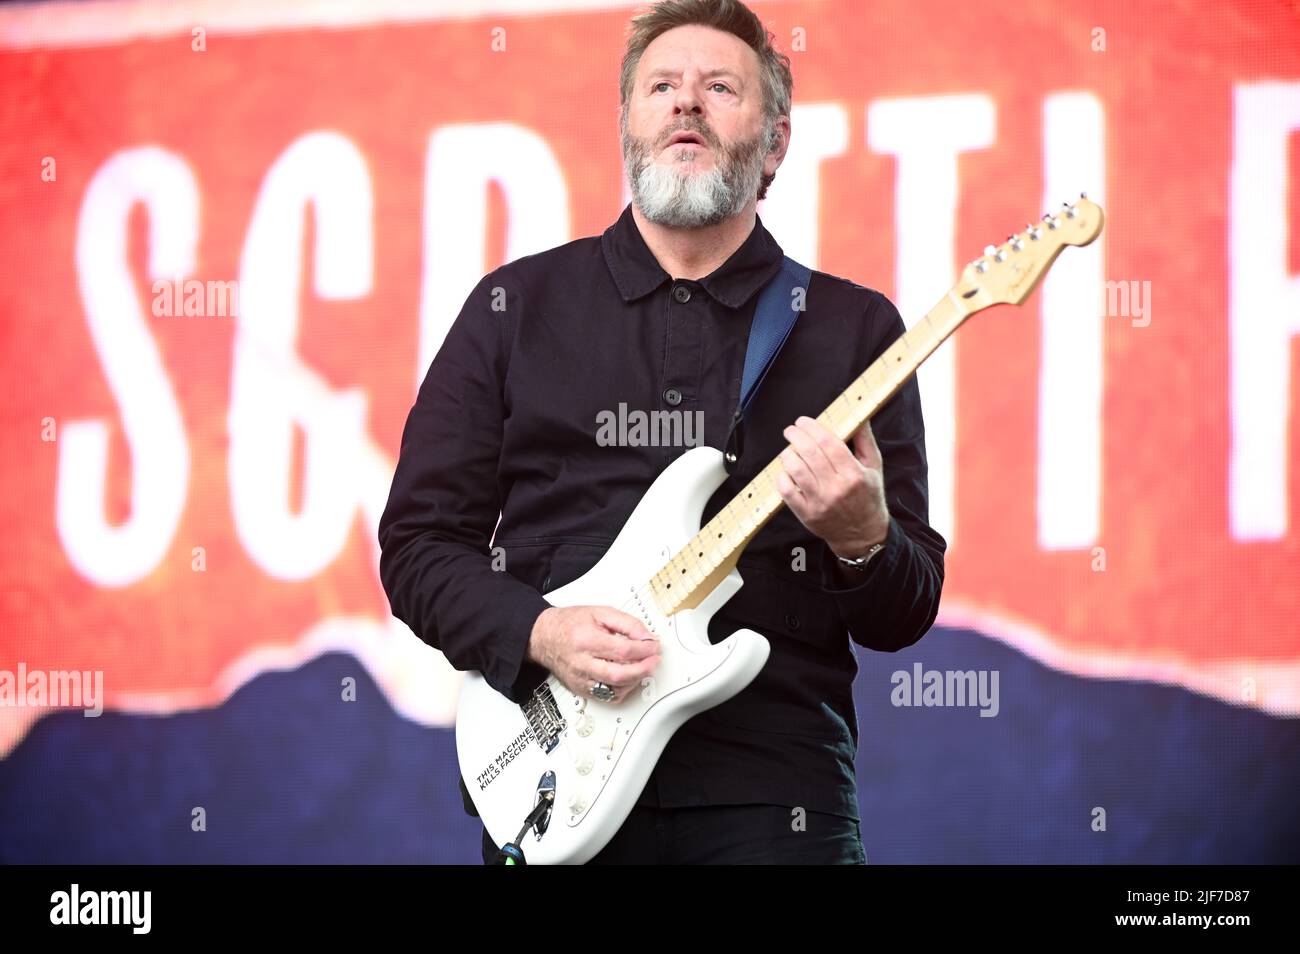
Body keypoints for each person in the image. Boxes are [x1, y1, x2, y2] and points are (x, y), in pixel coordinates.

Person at [377, 0, 946, 865]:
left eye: (721, 87)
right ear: (628, 124)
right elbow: (417, 546)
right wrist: (536, 633)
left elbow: (905, 610)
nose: (687, 104)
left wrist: (863, 536)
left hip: (773, 796)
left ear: (777, 142)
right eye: (663, 87)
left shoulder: (853, 330)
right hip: (554, 778)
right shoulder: (514, 309)